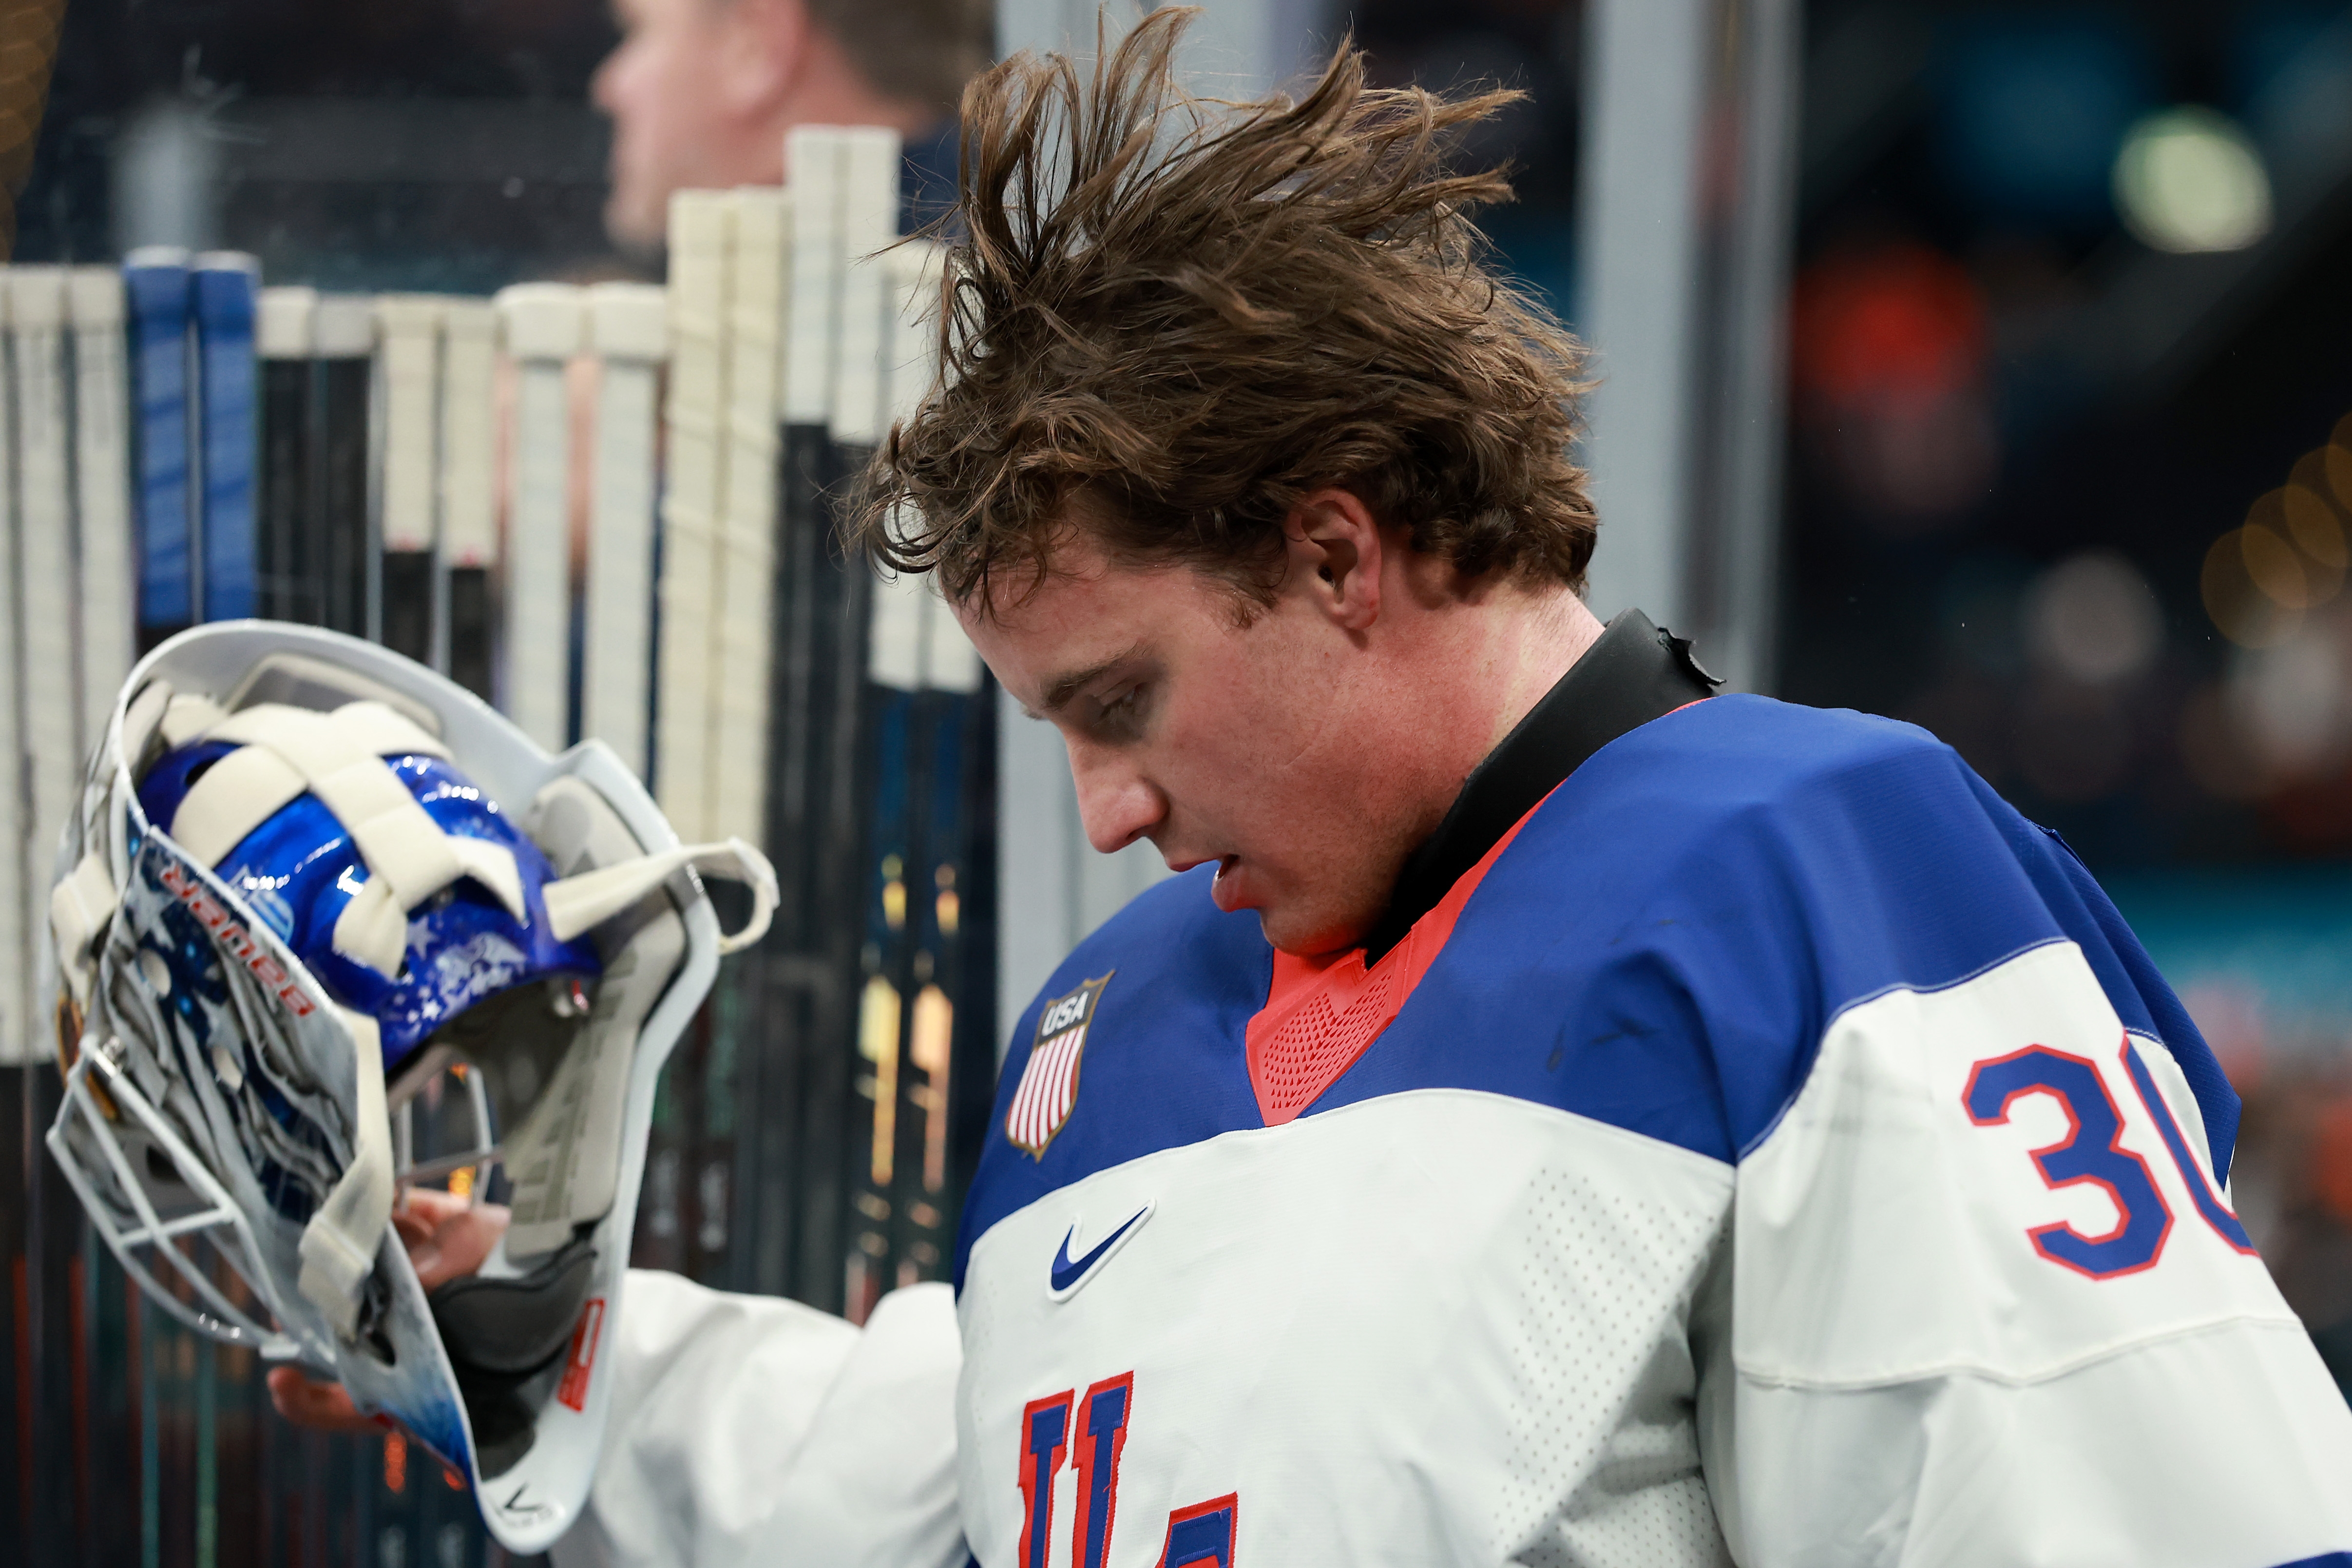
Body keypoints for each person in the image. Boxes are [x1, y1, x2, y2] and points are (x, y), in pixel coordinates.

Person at [295, 14, 2352, 1565]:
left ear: (1336, 554)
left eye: (1121, 699)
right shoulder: (1114, 1026)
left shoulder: (1824, 875)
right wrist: (542, 1337)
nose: (1104, 807)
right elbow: (968, 1474)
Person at [590, 0, 988, 249]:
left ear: (755, 44)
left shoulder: (924, 291)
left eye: (636, 29)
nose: (606, 89)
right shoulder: (991, 226)